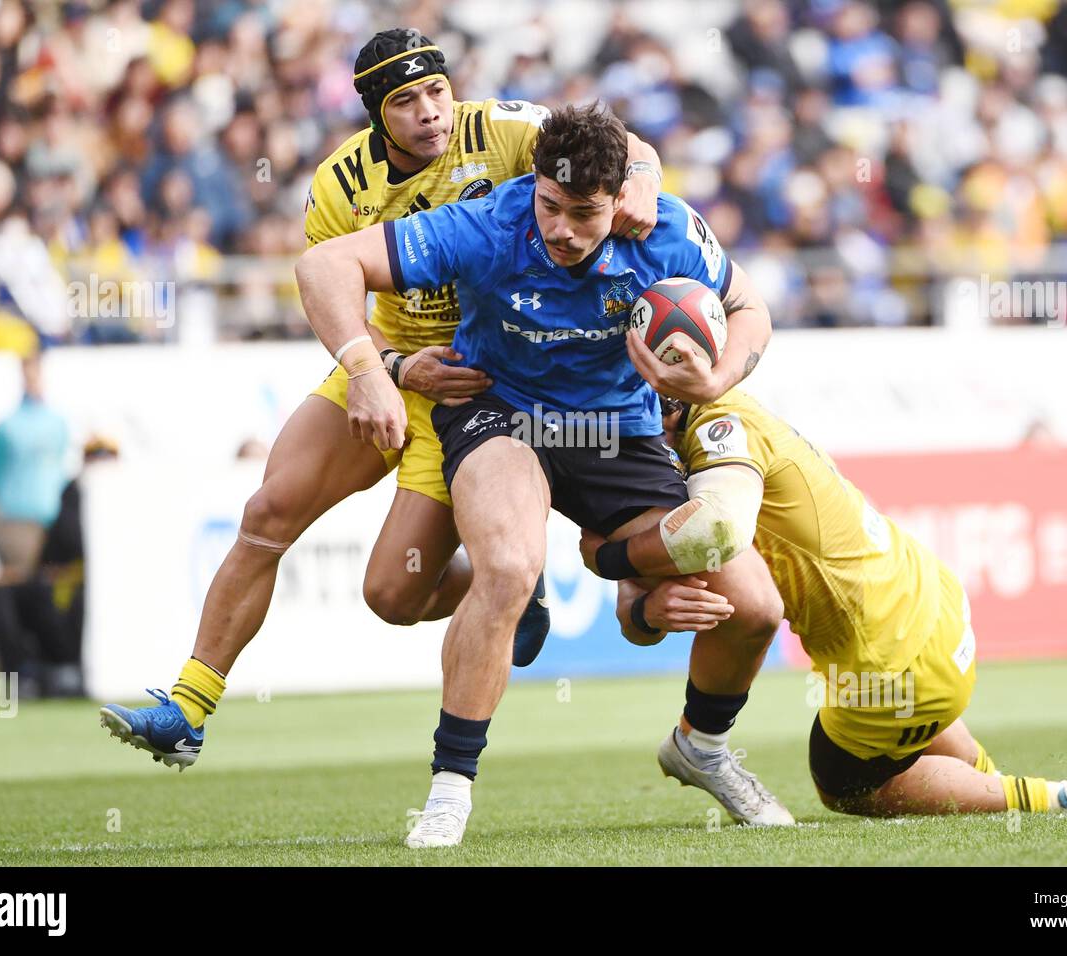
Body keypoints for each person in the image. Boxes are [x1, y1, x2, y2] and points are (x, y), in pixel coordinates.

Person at [99, 30, 666, 768]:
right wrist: (388, 367)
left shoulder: (503, 128)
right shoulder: (338, 186)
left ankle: (504, 581)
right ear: (375, 112)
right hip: (387, 362)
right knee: (268, 511)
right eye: (405, 101)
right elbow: (327, 290)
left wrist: (644, 178)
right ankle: (189, 707)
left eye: (437, 90)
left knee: (392, 597)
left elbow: (618, 145)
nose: (431, 112)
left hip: (476, 384)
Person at [294, 102, 785, 848]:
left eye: (582, 213)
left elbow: (749, 305)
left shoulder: (668, 231)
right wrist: (370, 370)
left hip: (615, 428)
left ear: (621, 197)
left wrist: (716, 380)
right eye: (549, 205)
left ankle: (700, 744)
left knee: (752, 607)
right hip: (501, 411)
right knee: (508, 565)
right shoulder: (492, 223)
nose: (559, 228)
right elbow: (323, 264)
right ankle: (450, 790)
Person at [582, 388, 1067, 818]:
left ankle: (1053, 796)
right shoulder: (730, 409)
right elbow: (644, 591)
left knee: (844, 787)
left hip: (887, 658)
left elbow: (704, 535)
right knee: (902, 725)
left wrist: (604, 559)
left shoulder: (715, 442)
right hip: (928, 602)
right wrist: (642, 609)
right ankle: (985, 786)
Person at [0, 352, 69, 583]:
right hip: (17, 521)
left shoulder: (57, 422)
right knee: (23, 588)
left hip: (52, 520)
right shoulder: (7, 425)